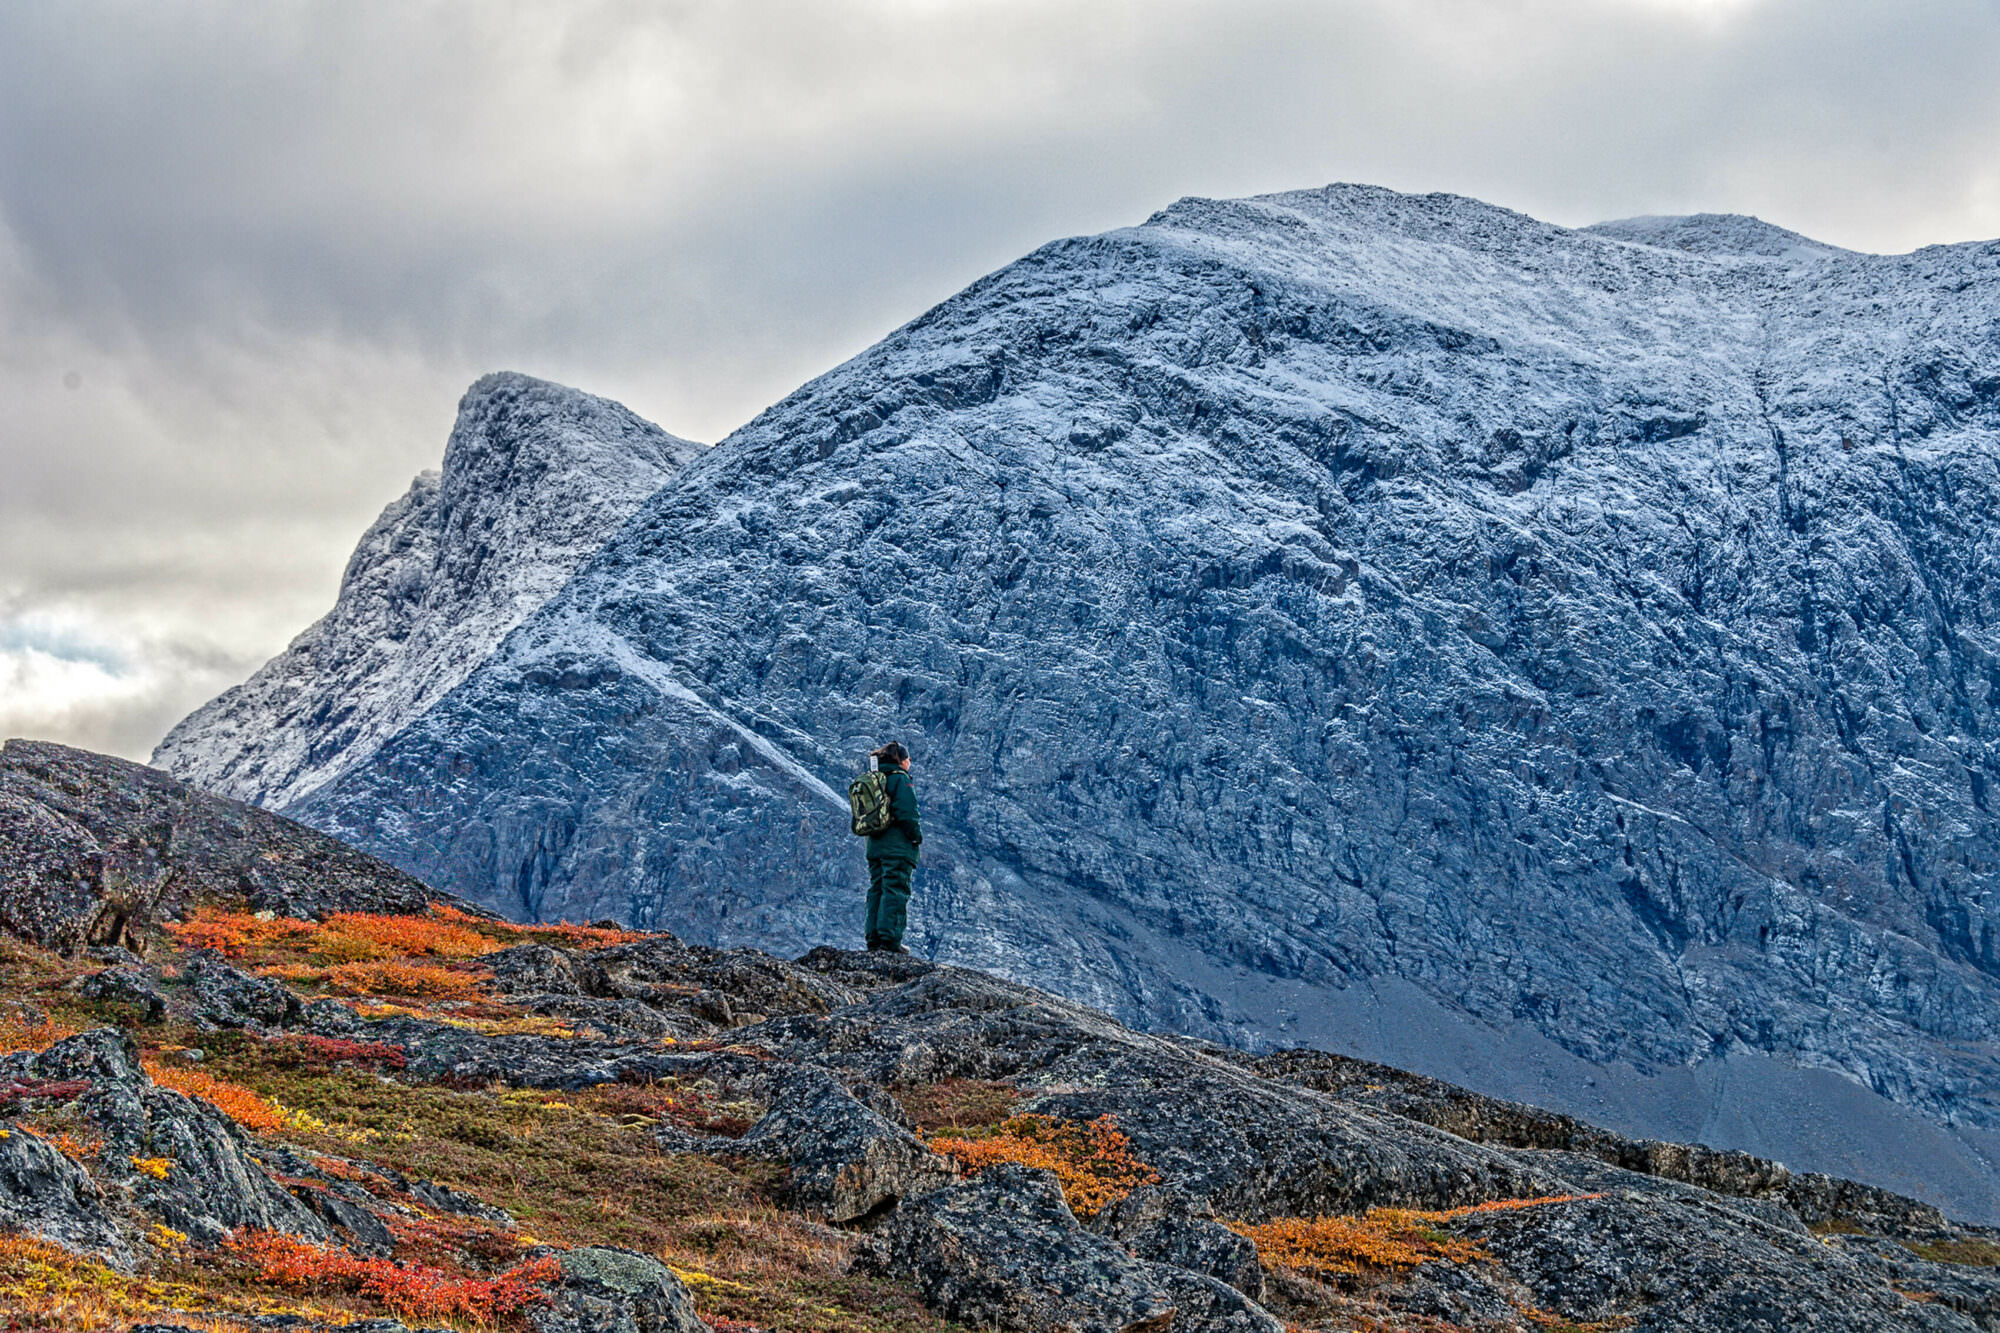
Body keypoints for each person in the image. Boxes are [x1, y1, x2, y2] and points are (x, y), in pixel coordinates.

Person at [864, 741, 922, 953]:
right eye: (908, 759)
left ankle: (873, 939)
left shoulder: (874, 780)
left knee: (877, 888)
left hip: (874, 845)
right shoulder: (900, 779)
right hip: (896, 847)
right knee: (895, 889)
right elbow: (907, 813)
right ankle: (890, 940)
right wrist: (915, 837)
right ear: (901, 760)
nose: (910, 763)